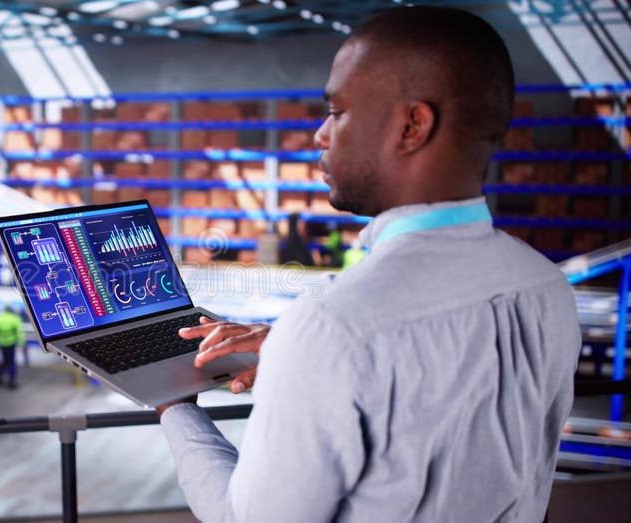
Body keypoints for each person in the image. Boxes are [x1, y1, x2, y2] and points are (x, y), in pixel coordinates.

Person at [157, 6, 581, 522]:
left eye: (337, 112)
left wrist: (172, 403)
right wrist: (302, 362)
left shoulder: (335, 327)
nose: (321, 134)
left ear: (411, 126)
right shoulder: (546, 288)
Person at [0, 304, 24, 390]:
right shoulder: (15, 319)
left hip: (1, 343)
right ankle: (11, 382)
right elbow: (19, 333)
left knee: (4, 361)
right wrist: (22, 344)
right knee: (11, 363)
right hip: (11, 343)